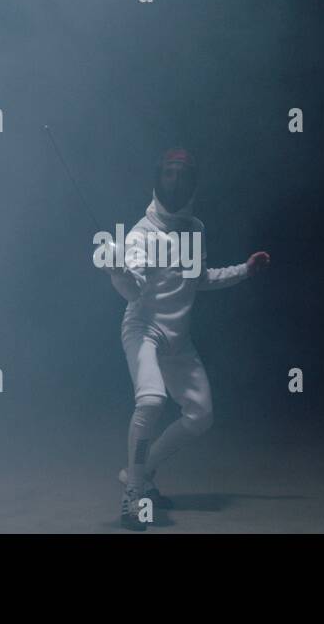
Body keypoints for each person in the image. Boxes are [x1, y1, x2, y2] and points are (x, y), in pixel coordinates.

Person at [95, 148, 270, 531]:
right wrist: (117, 271)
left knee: (201, 416)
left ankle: (140, 472)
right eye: (169, 174)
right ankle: (133, 495)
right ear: (158, 179)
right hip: (144, 331)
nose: (175, 181)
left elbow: (199, 278)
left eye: (182, 174)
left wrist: (245, 270)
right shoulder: (141, 235)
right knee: (152, 400)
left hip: (179, 339)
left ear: (192, 183)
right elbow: (133, 288)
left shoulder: (195, 229)